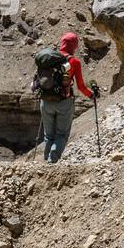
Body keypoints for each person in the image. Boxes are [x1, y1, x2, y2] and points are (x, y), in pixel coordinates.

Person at [34, 32, 98, 163]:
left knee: (49, 135)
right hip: (64, 102)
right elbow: (80, 86)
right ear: (73, 45)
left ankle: (46, 162)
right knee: (61, 134)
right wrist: (91, 95)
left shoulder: (48, 59)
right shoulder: (74, 61)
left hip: (45, 101)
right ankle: (52, 159)